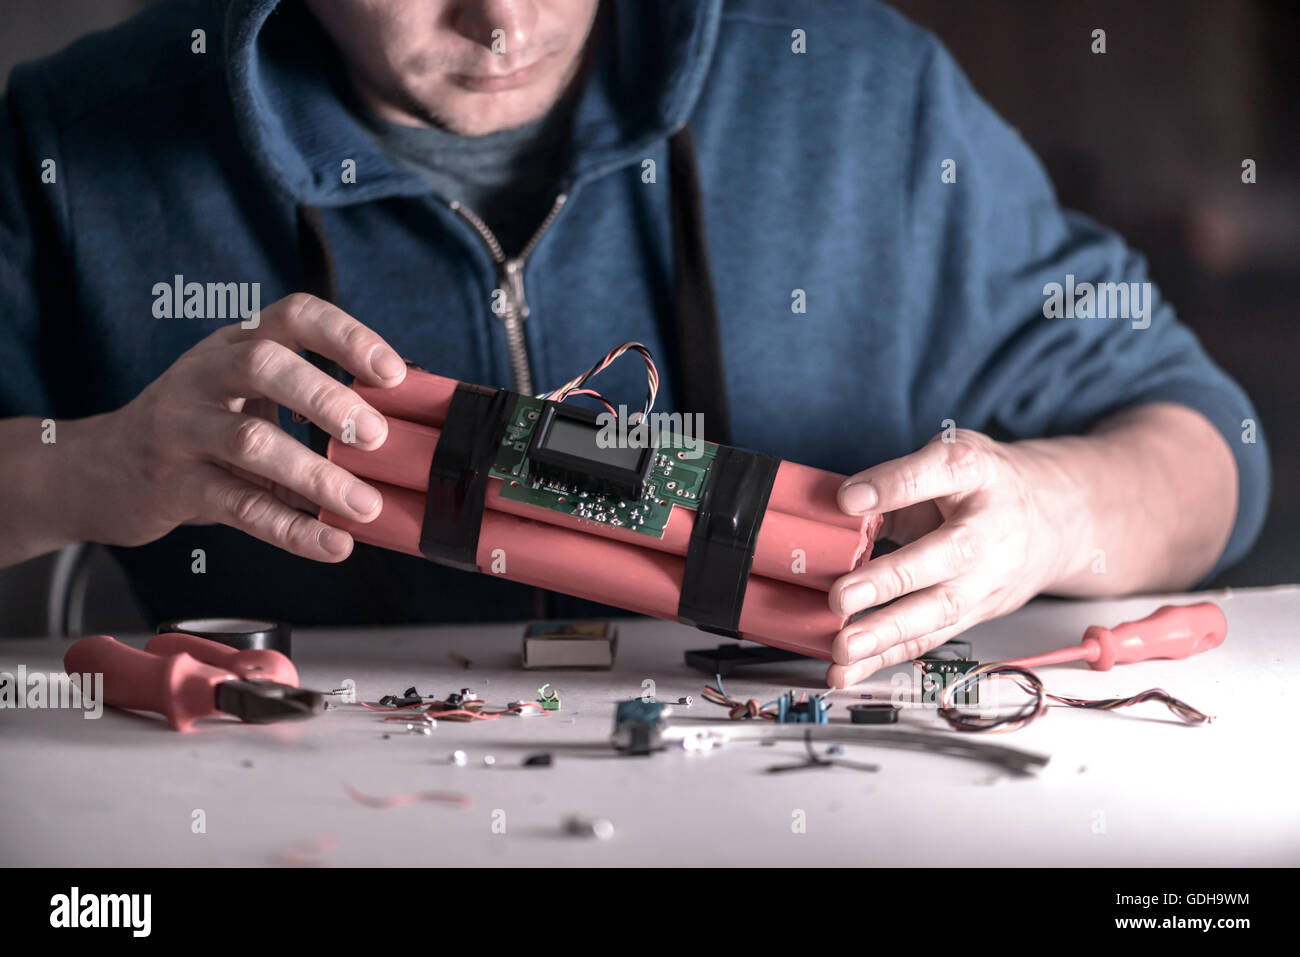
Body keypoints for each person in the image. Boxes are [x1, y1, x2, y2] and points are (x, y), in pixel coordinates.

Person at [0, 0, 1268, 688]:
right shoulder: (72, 135)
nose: (499, 22)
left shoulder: (872, 93)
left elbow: (1208, 453)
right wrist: (86, 469)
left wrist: (1050, 513)